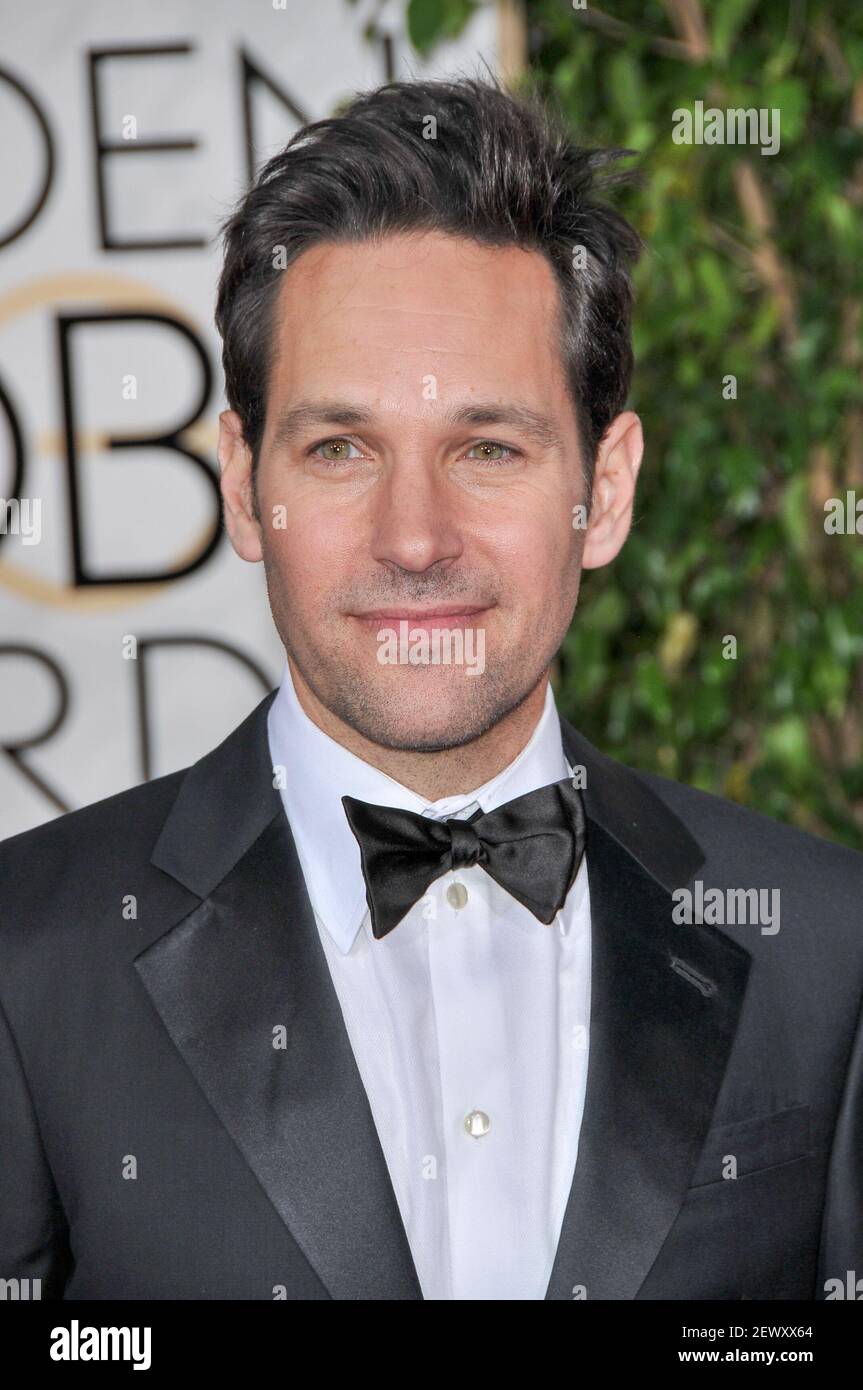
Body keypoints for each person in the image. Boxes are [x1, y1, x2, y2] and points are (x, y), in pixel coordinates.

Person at [1, 78, 861, 1302]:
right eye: (340, 448)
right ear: (245, 487)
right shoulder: (26, 964)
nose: (414, 537)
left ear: (602, 490)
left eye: (488, 448)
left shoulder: (826, 949)